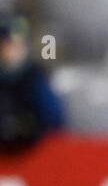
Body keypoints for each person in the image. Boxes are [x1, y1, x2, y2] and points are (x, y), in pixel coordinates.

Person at [0, 13, 64, 152]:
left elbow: (53, 118)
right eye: (8, 44)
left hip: (35, 150)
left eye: (18, 44)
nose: (13, 50)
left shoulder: (35, 77)